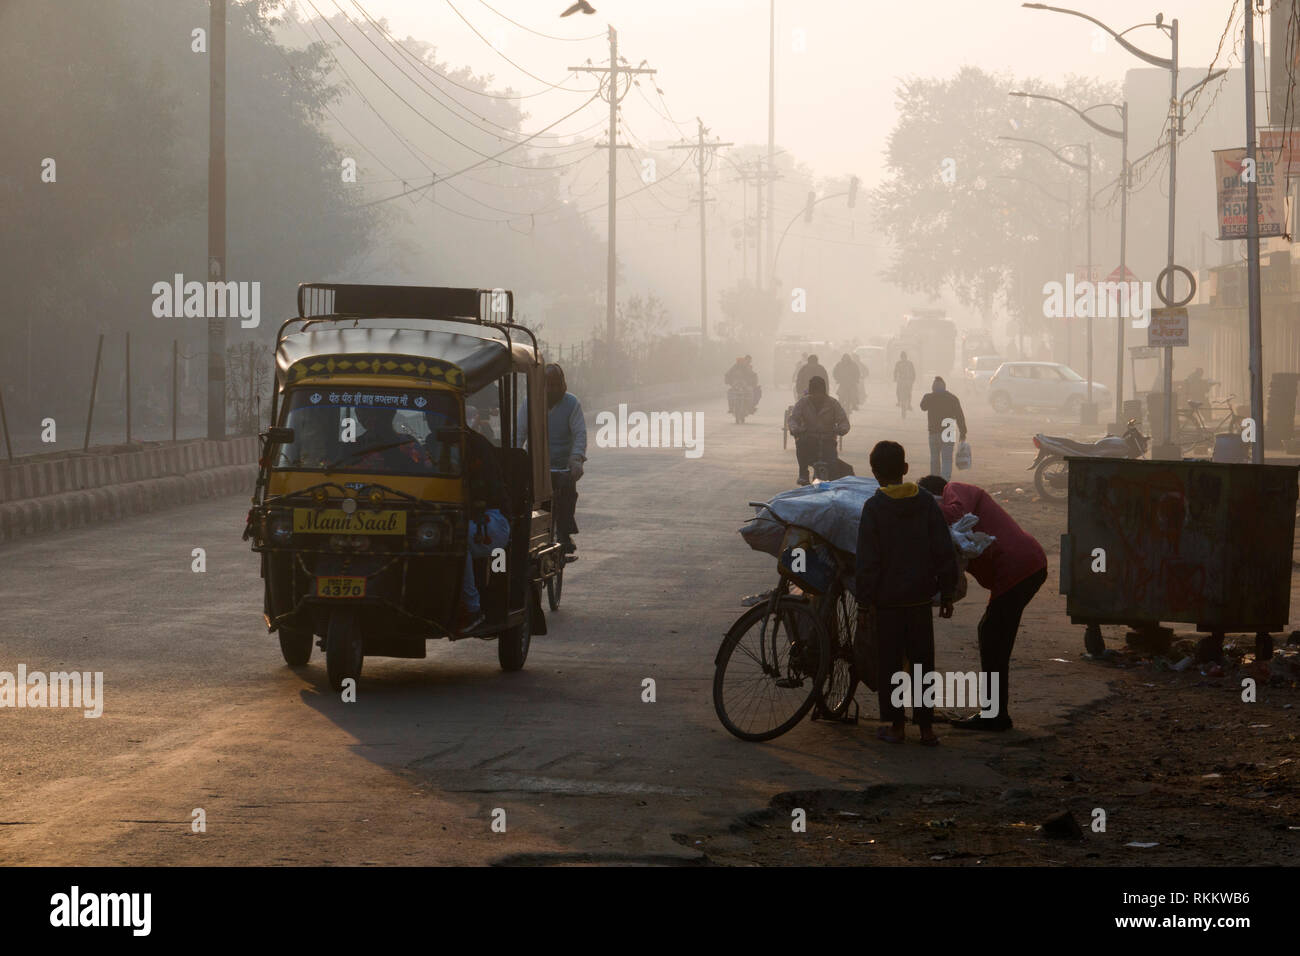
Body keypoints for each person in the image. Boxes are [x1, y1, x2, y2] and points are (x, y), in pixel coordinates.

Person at [917, 475, 1047, 732]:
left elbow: (955, 513)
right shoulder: (952, 513)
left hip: (1016, 566)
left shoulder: (956, 489)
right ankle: (995, 711)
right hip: (1019, 568)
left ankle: (995, 714)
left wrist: (918, 507)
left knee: (992, 636)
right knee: (992, 635)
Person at [855, 441, 958, 746]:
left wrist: (864, 602)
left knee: (891, 664)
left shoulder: (874, 508)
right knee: (922, 662)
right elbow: (943, 548)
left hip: (887, 603)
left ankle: (897, 727)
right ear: (905, 470)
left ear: (874, 473)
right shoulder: (925, 501)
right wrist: (948, 592)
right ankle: (926, 729)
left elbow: (867, 561)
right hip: (919, 600)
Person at [525, 364, 586, 556]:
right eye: (548, 385)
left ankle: (565, 533)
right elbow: (519, 433)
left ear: (563, 385)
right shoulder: (530, 402)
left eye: (556, 385)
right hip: (536, 465)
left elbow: (579, 434)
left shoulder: (572, 403)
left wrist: (576, 459)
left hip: (563, 466)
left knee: (568, 494)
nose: (552, 389)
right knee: (529, 502)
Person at [457, 425, 510, 634]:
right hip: (461, 518)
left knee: (457, 543)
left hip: (492, 517)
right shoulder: (432, 441)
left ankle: (473, 609)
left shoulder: (475, 446)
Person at [787, 375, 849, 486]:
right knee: (800, 445)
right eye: (814, 392)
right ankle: (803, 474)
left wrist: (842, 428)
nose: (817, 395)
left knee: (833, 467)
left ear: (824, 391)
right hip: (808, 438)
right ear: (810, 392)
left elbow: (843, 420)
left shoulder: (833, 403)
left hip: (828, 439)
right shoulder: (803, 403)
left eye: (819, 392)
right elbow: (793, 419)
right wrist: (795, 428)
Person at [351, 406, 431, 471]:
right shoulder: (355, 445)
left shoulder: (409, 444)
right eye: (362, 416)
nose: (372, 420)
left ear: (390, 415)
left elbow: (424, 472)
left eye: (374, 415)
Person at [919, 376, 967, 480]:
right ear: (944, 387)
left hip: (933, 432)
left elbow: (922, 406)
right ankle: (945, 483)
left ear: (933, 388)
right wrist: (963, 432)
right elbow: (960, 416)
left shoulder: (929, 397)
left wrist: (931, 395)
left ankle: (935, 482)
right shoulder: (952, 398)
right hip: (948, 431)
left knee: (934, 459)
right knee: (947, 459)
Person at [893, 351, 916, 418]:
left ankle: (900, 402)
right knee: (907, 392)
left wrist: (895, 378)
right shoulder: (909, 363)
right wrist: (912, 380)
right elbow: (913, 373)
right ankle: (908, 404)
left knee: (900, 392)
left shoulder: (899, 363)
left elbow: (895, 372)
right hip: (907, 381)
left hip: (904, 381)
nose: (903, 358)